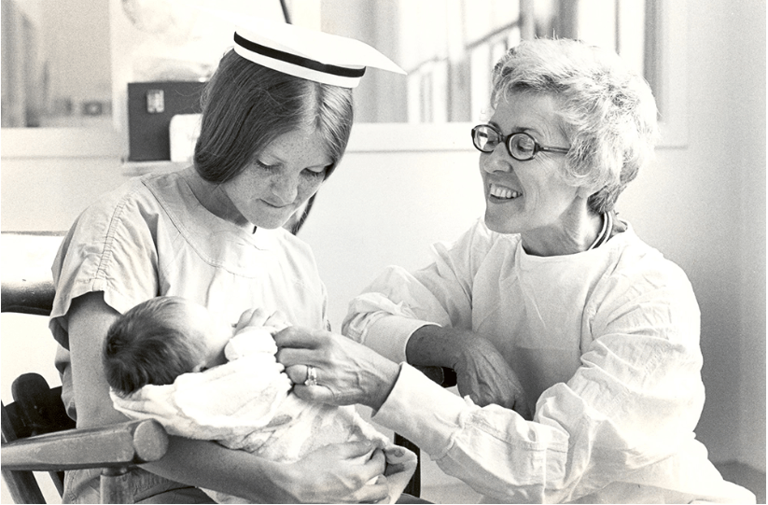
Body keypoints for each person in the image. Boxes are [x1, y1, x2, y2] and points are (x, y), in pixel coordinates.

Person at [274, 38, 757, 503]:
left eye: (523, 144)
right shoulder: (488, 248)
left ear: (593, 170)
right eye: (493, 137)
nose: (492, 162)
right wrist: (463, 347)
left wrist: (384, 383)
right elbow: (366, 320)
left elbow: (548, 468)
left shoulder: (651, 297)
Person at [49, 13, 406, 504]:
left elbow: (302, 407)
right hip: (146, 489)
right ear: (226, 135)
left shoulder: (294, 261)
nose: (288, 193)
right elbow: (106, 424)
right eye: (268, 164)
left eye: (314, 171)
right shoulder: (128, 225)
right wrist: (283, 483)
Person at [103, 296, 417, 504]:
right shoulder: (232, 379)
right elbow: (258, 366)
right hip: (267, 477)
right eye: (219, 327)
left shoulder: (163, 402)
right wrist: (256, 332)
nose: (230, 327)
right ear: (201, 370)